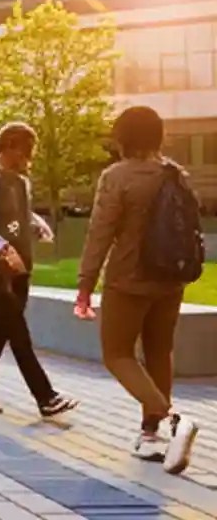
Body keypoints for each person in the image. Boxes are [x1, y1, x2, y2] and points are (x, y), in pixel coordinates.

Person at [76, 106, 199, 472]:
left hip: (129, 279)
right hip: (170, 279)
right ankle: (150, 436)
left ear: (122, 137)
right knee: (159, 351)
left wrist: (85, 285)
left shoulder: (117, 176)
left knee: (117, 354)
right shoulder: (176, 174)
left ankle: (173, 419)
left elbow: (100, 233)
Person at [0, 122, 77, 417]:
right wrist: (0, 246)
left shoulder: (20, 181)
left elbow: (19, 214)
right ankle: (45, 397)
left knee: (0, 330)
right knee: (17, 330)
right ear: (9, 146)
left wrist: (36, 224)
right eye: (24, 153)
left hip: (20, 265)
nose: (28, 160)